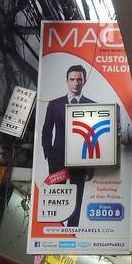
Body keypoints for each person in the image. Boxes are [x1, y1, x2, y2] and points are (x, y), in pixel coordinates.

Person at [40, 64, 95, 228]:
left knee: (77, 197)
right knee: (57, 197)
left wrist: (91, 165)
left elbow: (94, 138)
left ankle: (72, 230)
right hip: (57, 160)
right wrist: (49, 155)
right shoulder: (54, 104)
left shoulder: (91, 105)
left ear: (84, 81)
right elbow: (46, 132)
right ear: (67, 81)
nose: (76, 83)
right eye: (72, 79)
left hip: (80, 161)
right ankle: (56, 228)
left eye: (79, 79)